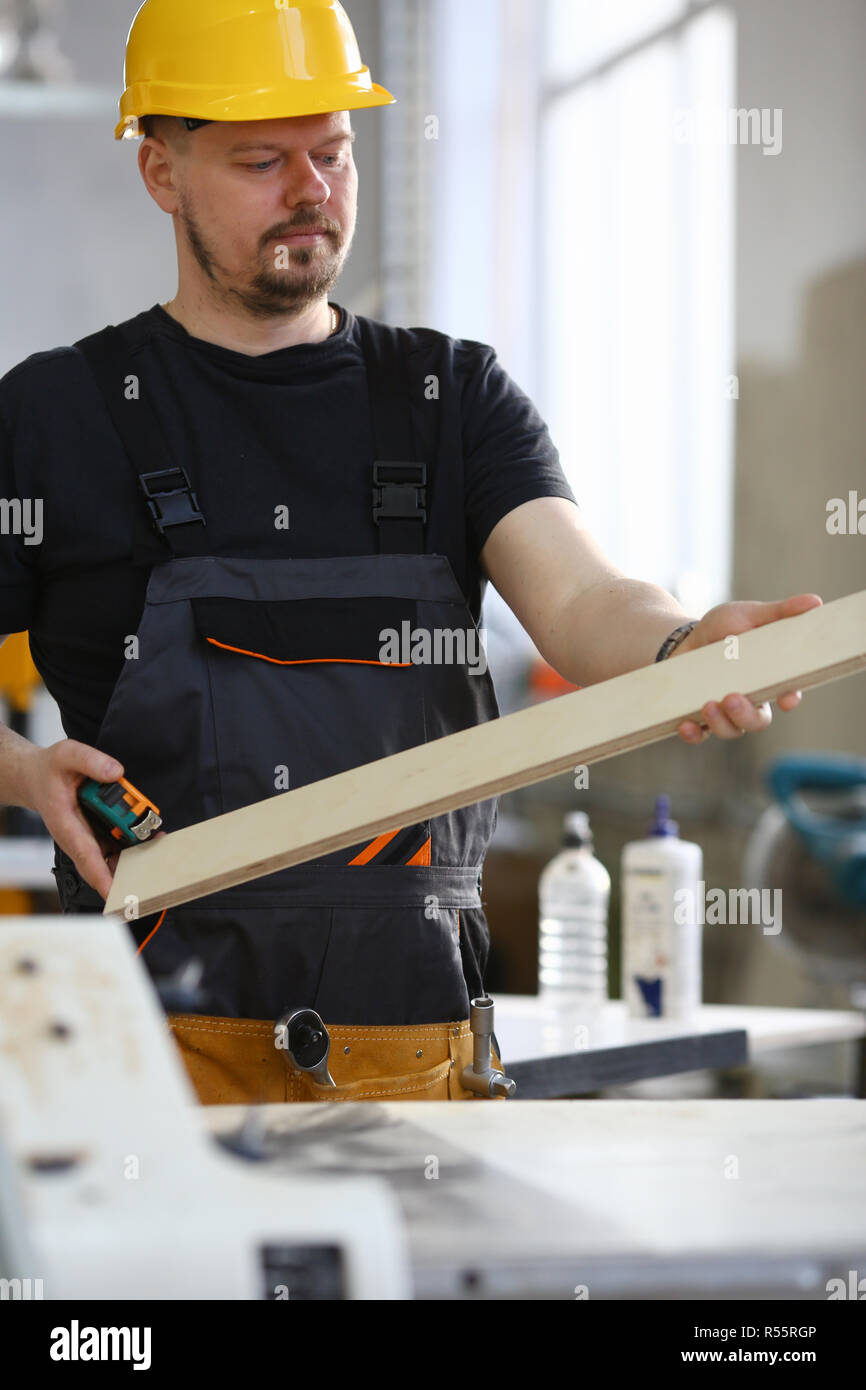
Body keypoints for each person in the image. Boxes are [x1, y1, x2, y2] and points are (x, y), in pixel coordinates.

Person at [0, 0, 817, 1104]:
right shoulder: (57, 415)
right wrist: (20, 771)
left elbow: (579, 596)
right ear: (161, 171)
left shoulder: (450, 398)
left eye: (332, 153)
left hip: (417, 1069)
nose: (311, 191)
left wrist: (681, 641)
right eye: (260, 160)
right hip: (141, 1076)